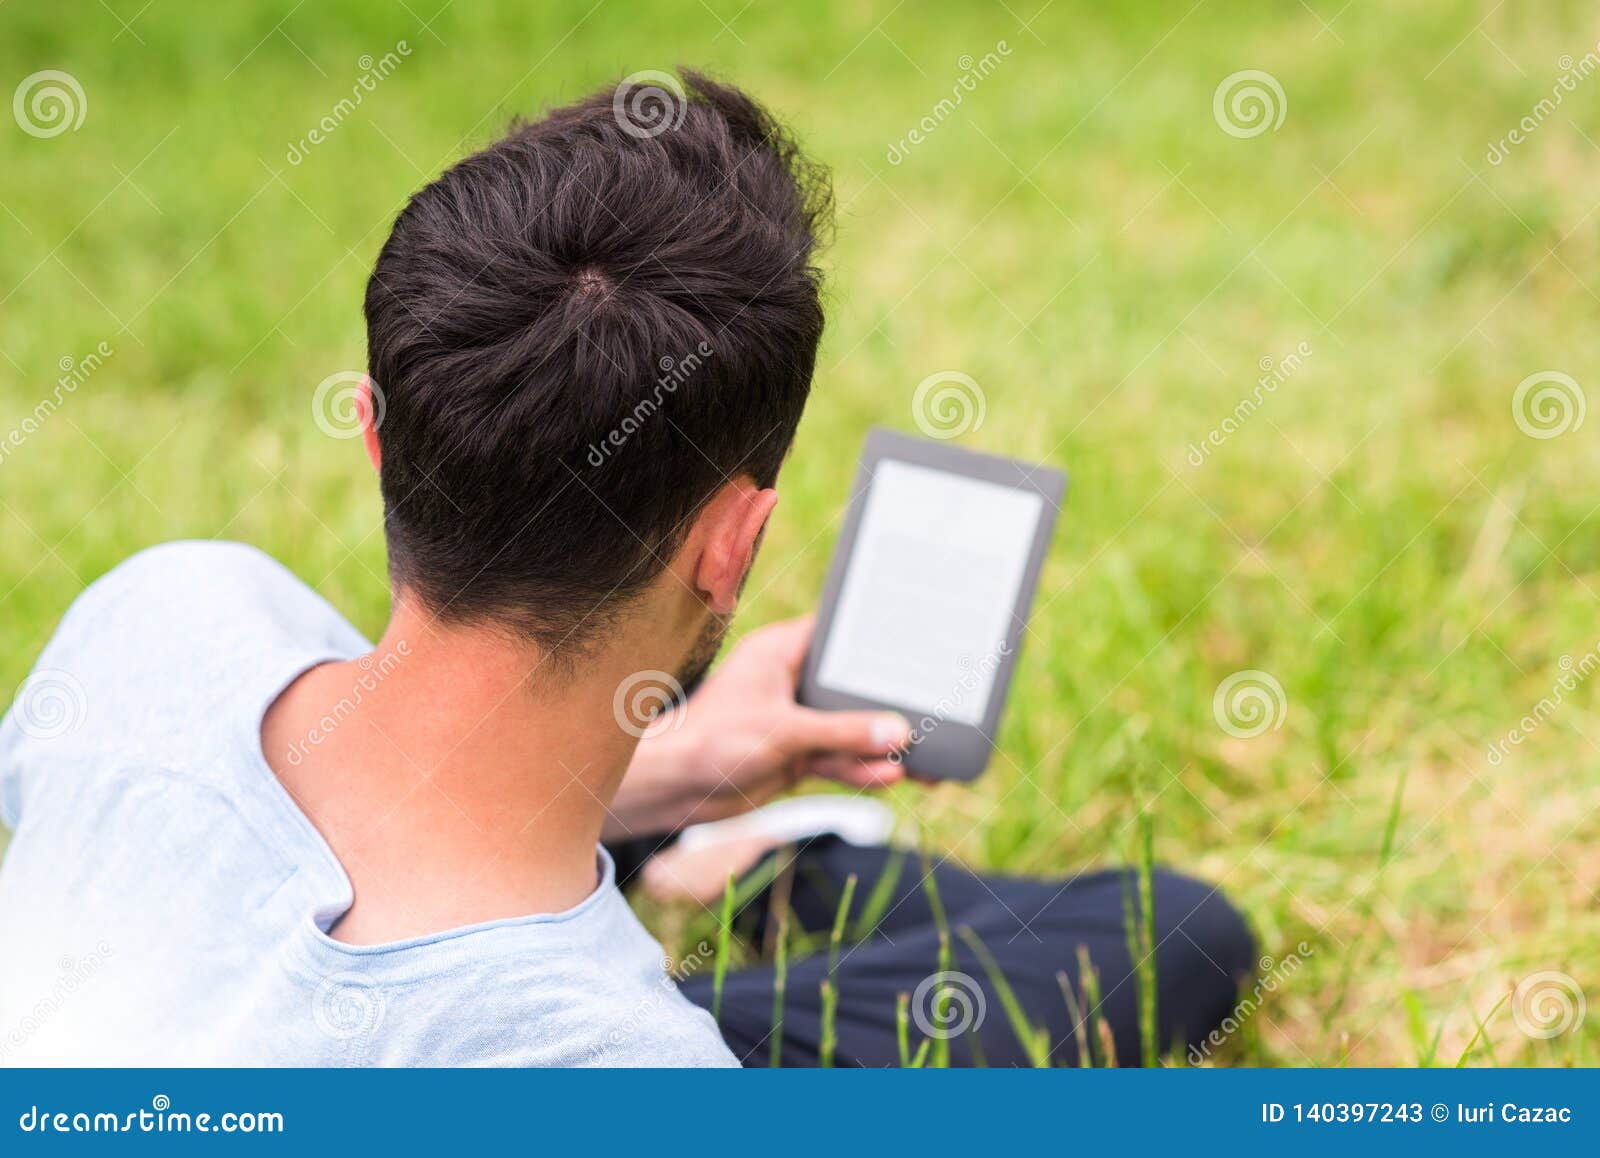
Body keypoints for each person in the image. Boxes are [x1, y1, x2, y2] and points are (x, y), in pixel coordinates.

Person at [0, 72, 1253, 1068]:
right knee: (1168, 935)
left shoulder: (162, 612)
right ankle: (757, 865)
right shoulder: (627, 1070)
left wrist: (682, 768)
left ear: (376, 429)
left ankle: (695, 841)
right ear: (735, 546)